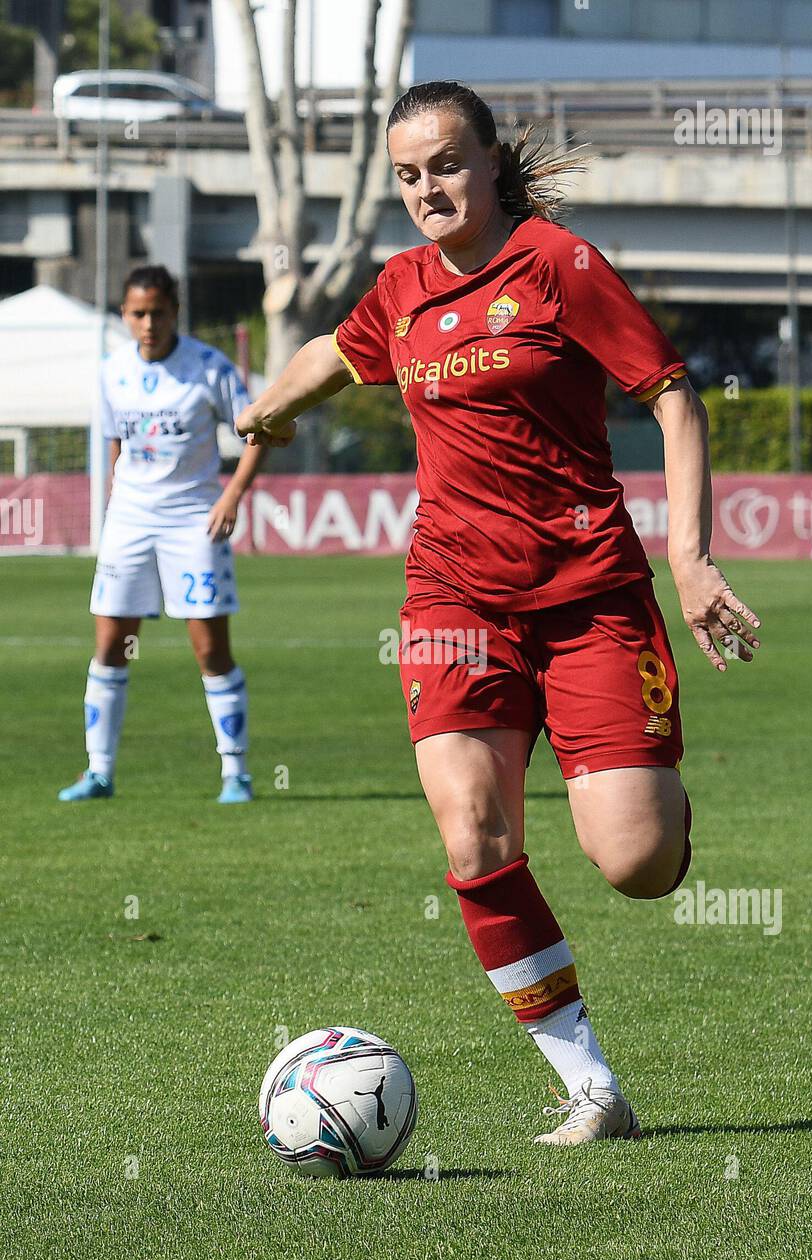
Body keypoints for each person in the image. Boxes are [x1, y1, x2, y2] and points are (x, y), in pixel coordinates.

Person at [236, 82, 761, 1143]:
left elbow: (670, 395)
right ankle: (591, 1089)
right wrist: (264, 407)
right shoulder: (399, 288)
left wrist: (691, 558)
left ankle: (653, 809)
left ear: (487, 164)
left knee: (636, 863)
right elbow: (336, 356)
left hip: (587, 596)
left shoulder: (558, 265)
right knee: (473, 833)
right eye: (406, 173)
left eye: (443, 164)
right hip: (451, 596)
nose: (425, 187)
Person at [59, 264, 267, 804]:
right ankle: (99, 772)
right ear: (124, 315)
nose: (148, 323)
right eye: (137, 313)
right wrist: (113, 497)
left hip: (192, 522)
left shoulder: (207, 367)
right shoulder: (111, 371)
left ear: (175, 311)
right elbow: (114, 441)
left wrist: (232, 495)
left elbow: (258, 431)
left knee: (209, 650)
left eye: (158, 312)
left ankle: (235, 774)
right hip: (129, 521)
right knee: (111, 645)